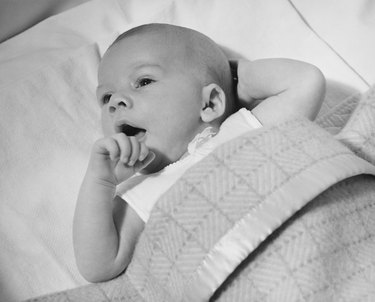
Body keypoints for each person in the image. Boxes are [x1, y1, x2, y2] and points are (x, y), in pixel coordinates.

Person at [73, 23, 326, 282]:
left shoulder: (242, 131)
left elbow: (306, 82)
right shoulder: (140, 192)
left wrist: (237, 78)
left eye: (143, 81)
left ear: (210, 102)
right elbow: (99, 266)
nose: (117, 102)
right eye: (106, 97)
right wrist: (101, 182)